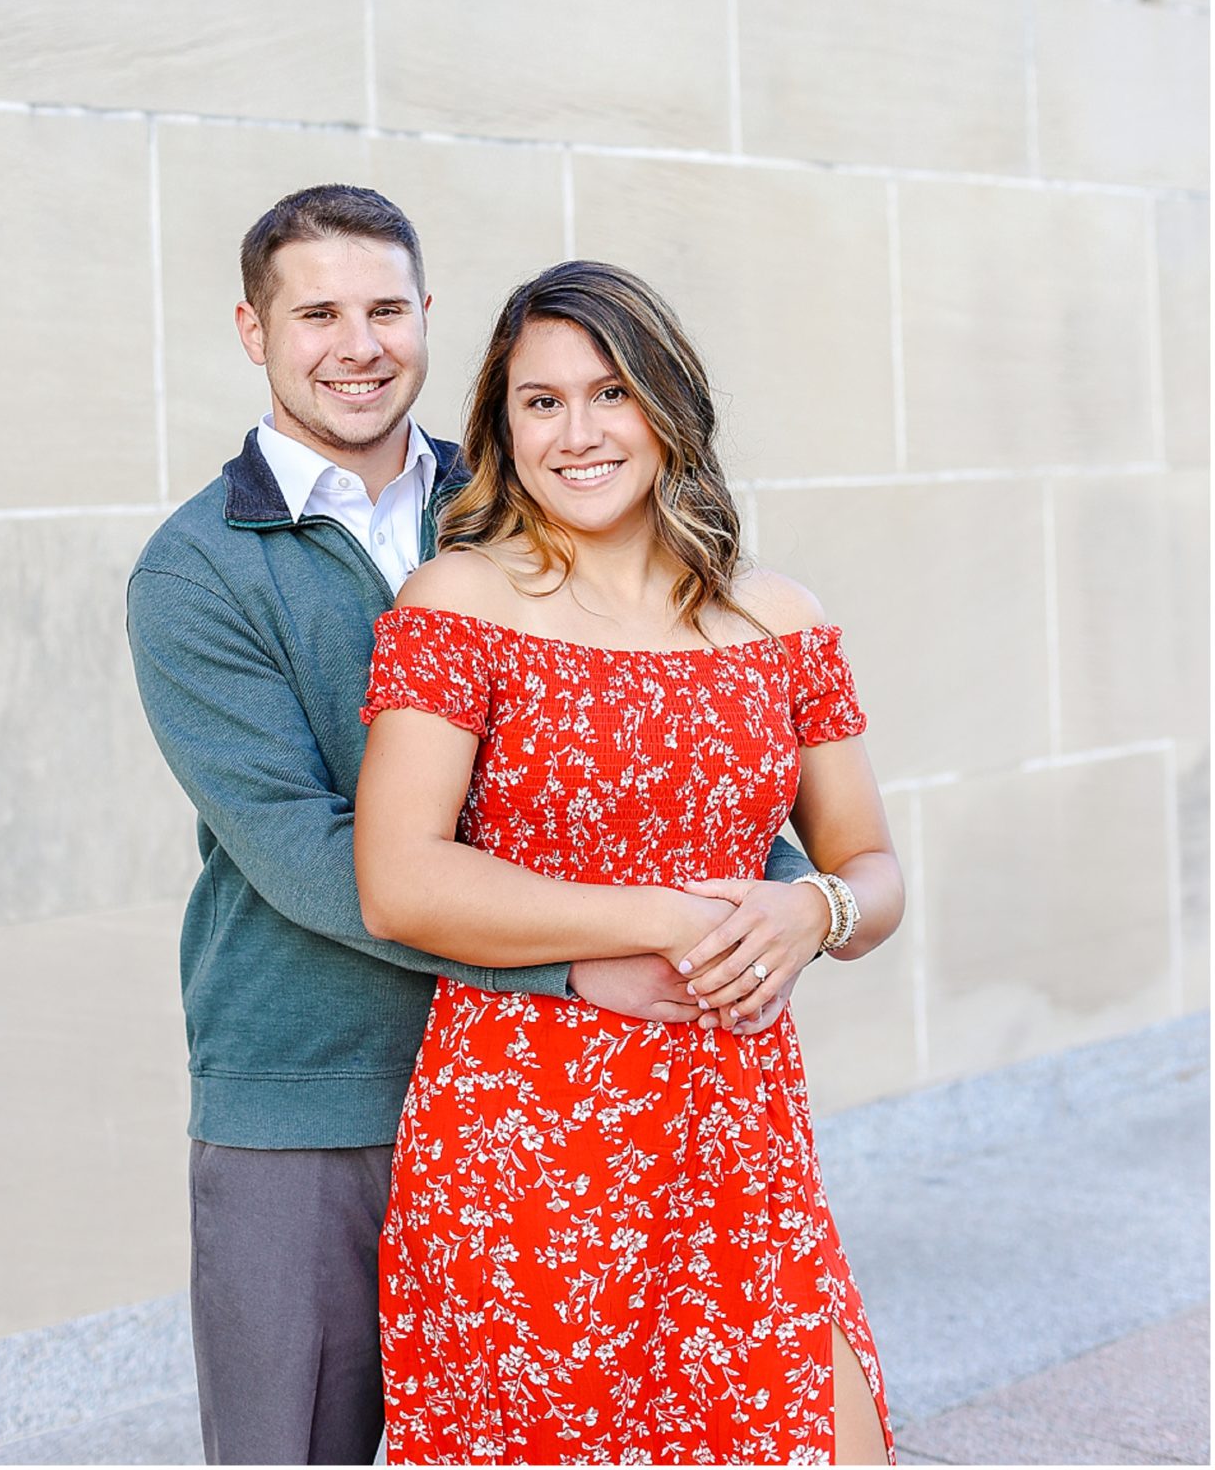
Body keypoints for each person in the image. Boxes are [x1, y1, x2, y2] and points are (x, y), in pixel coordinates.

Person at [126, 186, 819, 1467]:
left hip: (548, 1090)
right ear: (251, 327)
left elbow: (672, 736)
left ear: (429, 318)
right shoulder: (198, 568)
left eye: (387, 307)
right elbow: (298, 847)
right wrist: (571, 961)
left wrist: (785, 893)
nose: (358, 342)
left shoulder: (523, 499)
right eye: (317, 312)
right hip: (316, 1088)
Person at [355, 258, 903, 1466]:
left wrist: (813, 910)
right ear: (502, 424)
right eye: (540, 401)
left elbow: (870, 865)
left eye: (609, 392)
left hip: (737, 1130)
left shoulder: (781, 619)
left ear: (669, 406)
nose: (578, 432)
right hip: (526, 1138)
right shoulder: (460, 602)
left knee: (824, 1438)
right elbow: (400, 881)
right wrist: (665, 914)